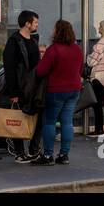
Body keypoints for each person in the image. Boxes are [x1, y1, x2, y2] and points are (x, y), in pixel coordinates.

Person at [29, 20, 83, 165]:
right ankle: (64, 155)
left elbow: (41, 71)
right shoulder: (77, 49)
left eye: (54, 29)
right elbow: (80, 70)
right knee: (67, 122)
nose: (52, 31)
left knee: (49, 123)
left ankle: (47, 156)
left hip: (56, 91)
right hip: (74, 90)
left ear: (58, 31)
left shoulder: (54, 49)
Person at [1, 10, 42, 161]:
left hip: (33, 86)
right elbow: (9, 68)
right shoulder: (14, 41)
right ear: (27, 23)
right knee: (18, 117)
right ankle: (20, 153)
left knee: (39, 116)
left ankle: (33, 149)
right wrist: (13, 93)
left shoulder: (33, 40)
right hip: (20, 86)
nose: (37, 25)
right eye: (35, 22)